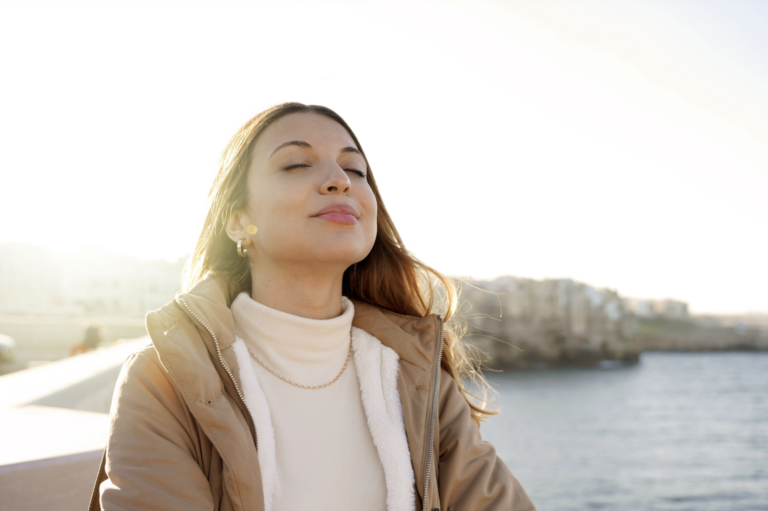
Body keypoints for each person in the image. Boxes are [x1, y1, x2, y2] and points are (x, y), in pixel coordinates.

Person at [89, 103, 536, 511]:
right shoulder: (163, 381)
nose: (339, 179)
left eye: (355, 170)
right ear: (239, 219)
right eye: (296, 163)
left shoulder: (418, 377)